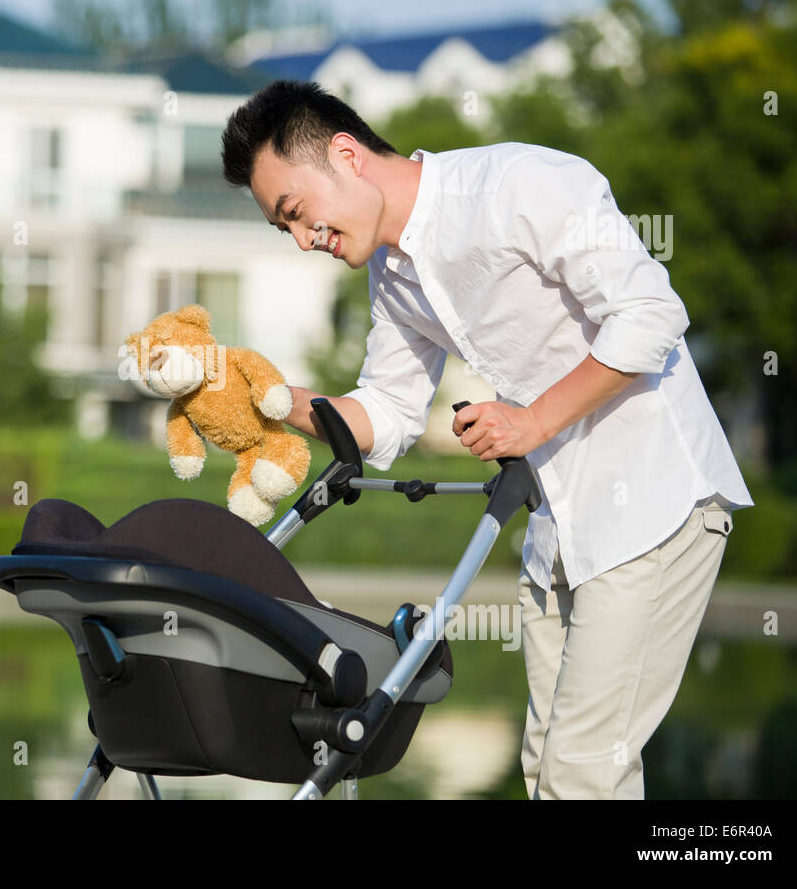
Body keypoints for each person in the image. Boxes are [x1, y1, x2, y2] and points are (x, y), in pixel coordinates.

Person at [220, 79, 754, 799]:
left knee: (581, 773)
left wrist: (531, 421)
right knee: (546, 770)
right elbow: (385, 419)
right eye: (283, 229)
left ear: (345, 155)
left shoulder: (518, 185)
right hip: (559, 526)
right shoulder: (391, 275)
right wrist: (259, 395)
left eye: (295, 212)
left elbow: (651, 315)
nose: (301, 238)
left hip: (654, 507)